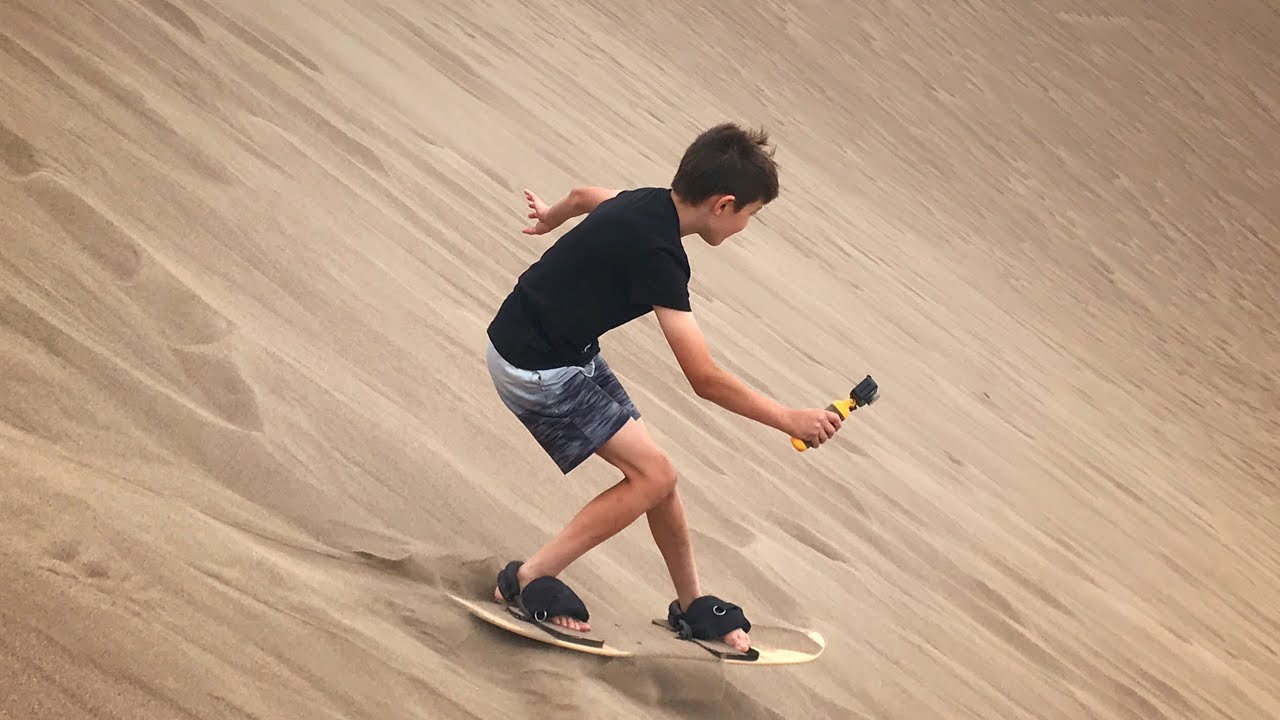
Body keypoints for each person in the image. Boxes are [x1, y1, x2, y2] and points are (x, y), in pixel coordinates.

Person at [484, 122, 843, 653]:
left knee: (658, 477)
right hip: (535, 367)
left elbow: (585, 197)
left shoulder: (647, 203)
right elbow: (704, 378)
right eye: (751, 215)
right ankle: (528, 579)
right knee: (653, 475)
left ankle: (692, 604)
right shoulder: (661, 257)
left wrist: (548, 219)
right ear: (724, 205)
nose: (747, 226)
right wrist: (790, 419)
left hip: (558, 348)